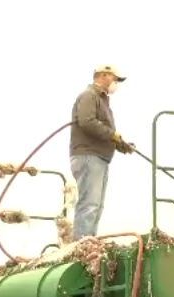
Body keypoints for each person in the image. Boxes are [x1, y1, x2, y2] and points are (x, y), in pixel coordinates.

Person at [69, 65, 135, 241]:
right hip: (88, 156)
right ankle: (82, 243)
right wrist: (112, 135)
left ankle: (87, 240)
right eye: (115, 79)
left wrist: (121, 145)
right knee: (90, 203)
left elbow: (103, 131)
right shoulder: (89, 96)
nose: (116, 83)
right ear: (103, 75)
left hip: (99, 157)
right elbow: (87, 122)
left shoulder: (102, 100)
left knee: (96, 205)